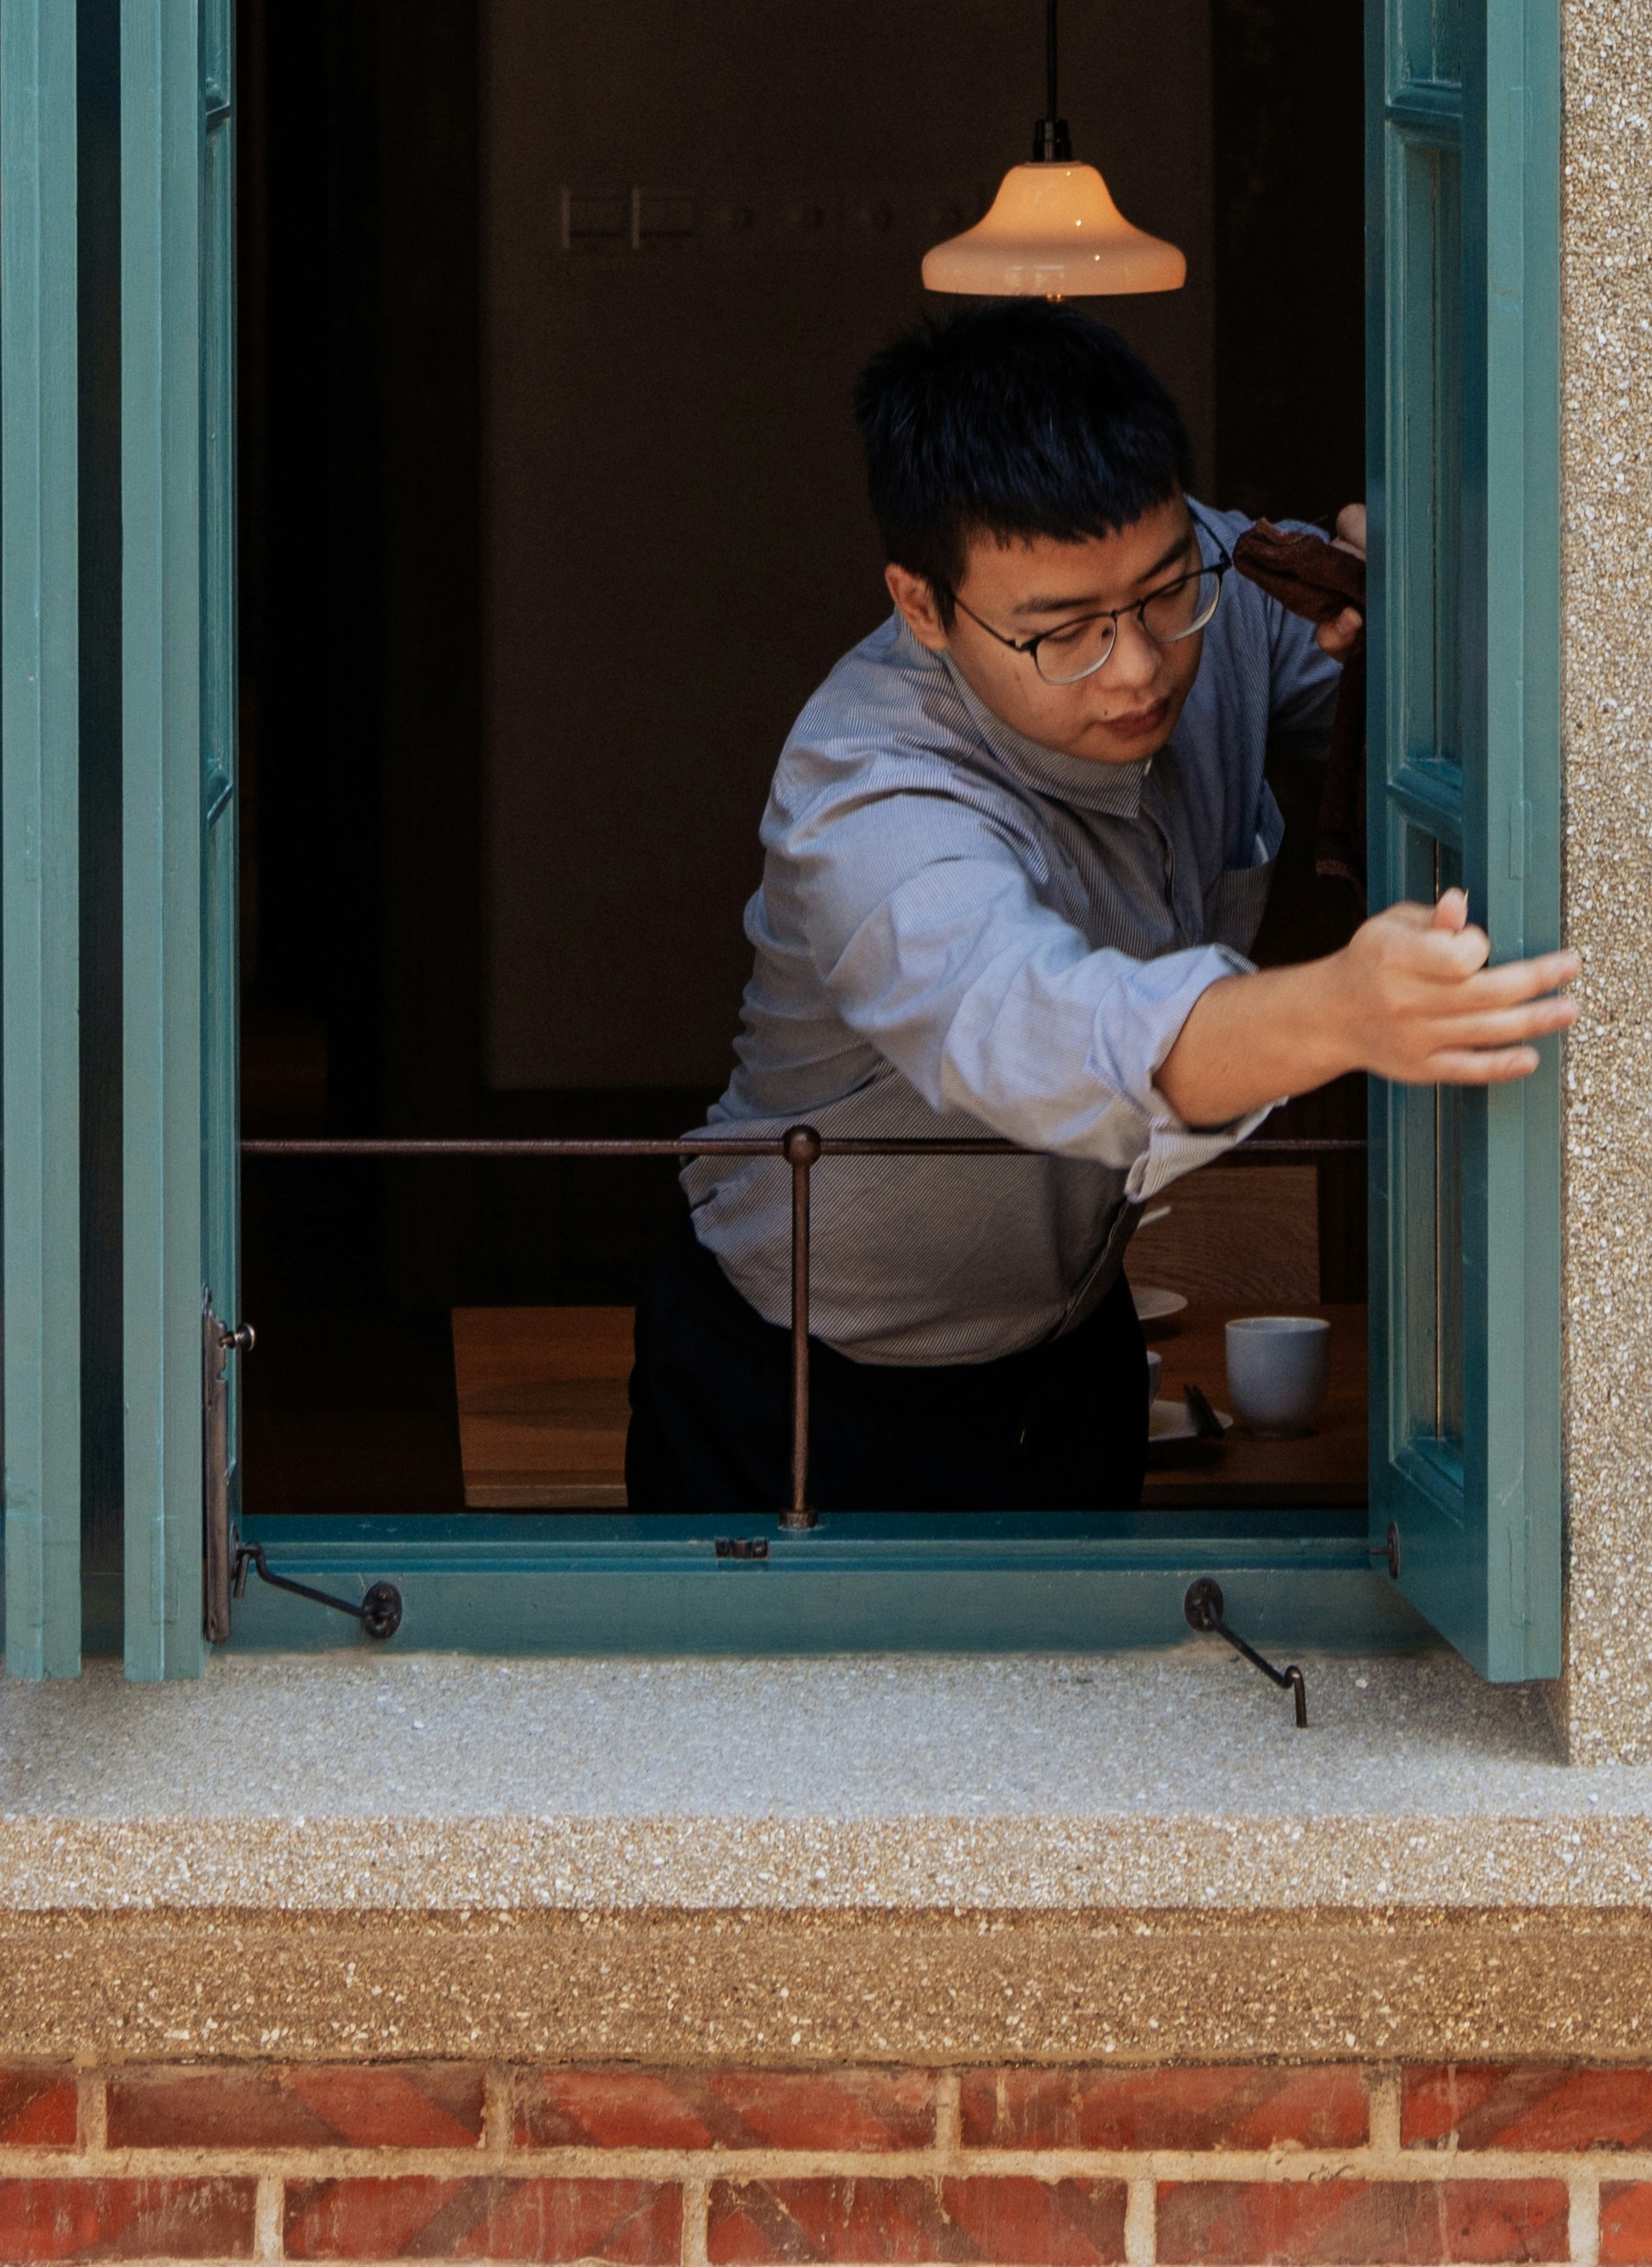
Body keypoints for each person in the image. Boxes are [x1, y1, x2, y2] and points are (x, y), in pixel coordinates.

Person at [625, 297, 1583, 1517]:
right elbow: (1042, 1032)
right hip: (799, 1386)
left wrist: (1408, 592)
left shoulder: (1215, 592)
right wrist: (1341, 1011)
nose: (1135, 663)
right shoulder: (865, 796)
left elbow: (1404, 671)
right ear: (924, 605)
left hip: (1076, 1353)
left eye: (1159, 589)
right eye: (1063, 632)